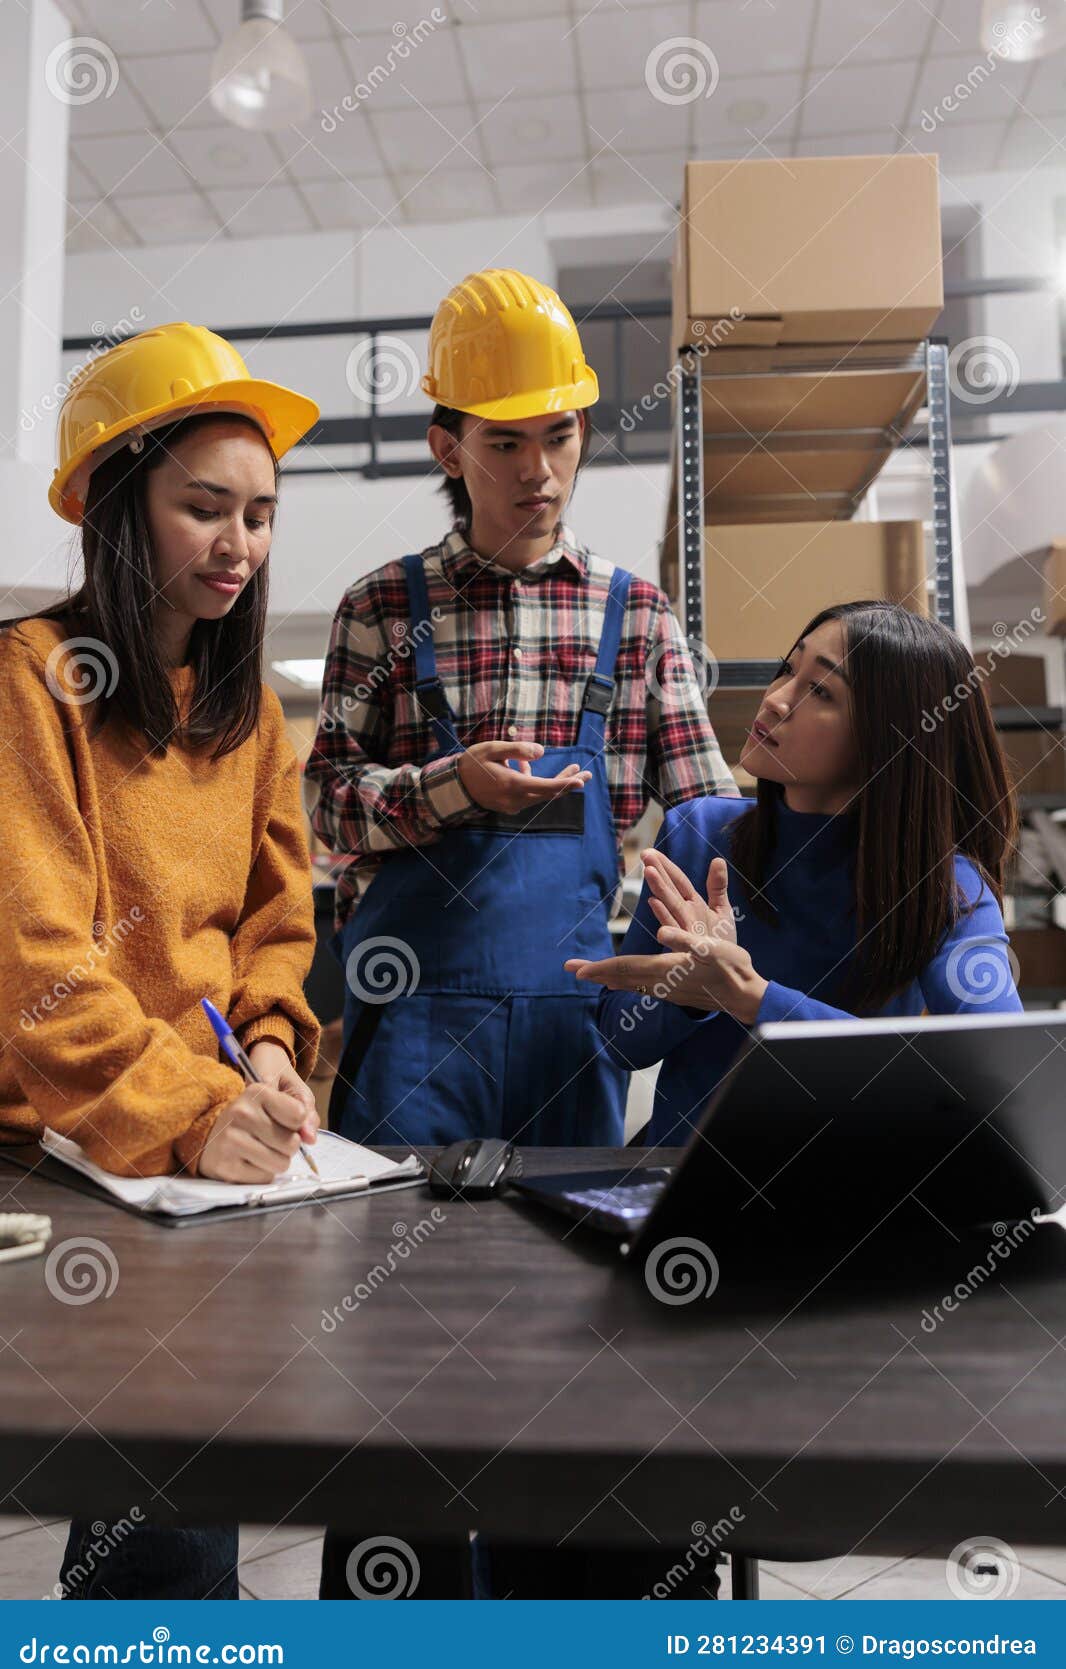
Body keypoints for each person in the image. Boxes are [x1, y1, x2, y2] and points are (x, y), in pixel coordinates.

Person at [306, 268, 737, 1597]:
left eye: (559, 434)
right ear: (447, 444)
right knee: (403, 1392)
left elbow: (707, 806)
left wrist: (772, 916)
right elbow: (321, 797)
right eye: (505, 440)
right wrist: (447, 790)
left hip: (565, 1051)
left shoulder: (636, 612)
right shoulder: (382, 607)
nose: (540, 467)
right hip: (412, 1053)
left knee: (566, 1378)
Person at [0, 321, 322, 1598]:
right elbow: (39, 965)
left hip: (203, 1150)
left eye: (259, 513)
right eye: (205, 508)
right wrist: (195, 1110)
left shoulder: (251, 717)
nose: (239, 544)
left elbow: (275, 926)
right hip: (59, 1146)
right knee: (170, 1486)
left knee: (191, 1483)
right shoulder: (32, 682)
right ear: (122, 505)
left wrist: (276, 1052)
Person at [569, 600, 1023, 1148]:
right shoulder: (699, 832)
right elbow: (623, 1043)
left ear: (891, 738)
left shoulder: (948, 888)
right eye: (789, 669)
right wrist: (685, 996)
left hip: (841, 1198)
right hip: (680, 1187)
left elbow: (1002, 1081)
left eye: (822, 692)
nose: (777, 699)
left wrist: (752, 998)